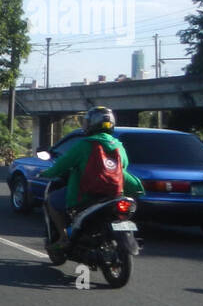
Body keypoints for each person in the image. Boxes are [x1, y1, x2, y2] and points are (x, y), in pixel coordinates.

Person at [39, 107, 143, 255]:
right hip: (114, 193)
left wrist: (46, 173)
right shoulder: (118, 145)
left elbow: (63, 164)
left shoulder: (84, 145)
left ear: (92, 124)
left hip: (86, 194)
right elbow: (123, 167)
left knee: (52, 201)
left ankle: (63, 238)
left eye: (86, 122)